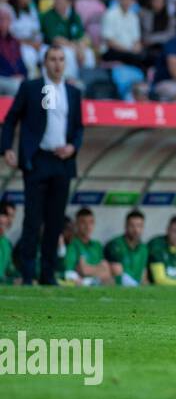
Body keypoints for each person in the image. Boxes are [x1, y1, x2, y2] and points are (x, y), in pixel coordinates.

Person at [0, 46, 83, 285]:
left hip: (62, 161)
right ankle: (28, 273)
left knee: (55, 220)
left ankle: (48, 274)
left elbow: (78, 128)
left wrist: (72, 147)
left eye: (61, 59)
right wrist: (7, 148)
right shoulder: (31, 87)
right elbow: (11, 118)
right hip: (38, 160)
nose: (57, 64)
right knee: (33, 220)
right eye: (53, 59)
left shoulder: (73, 92)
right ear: (44, 63)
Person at [65, 207, 113, 285]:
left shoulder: (97, 245)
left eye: (91, 222)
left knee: (110, 281)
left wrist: (88, 269)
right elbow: (73, 272)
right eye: (83, 222)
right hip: (80, 283)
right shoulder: (72, 244)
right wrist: (98, 269)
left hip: (96, 281)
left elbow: (107, 272)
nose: (87, 226)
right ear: (76, 224)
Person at [104, 209, 148, 286]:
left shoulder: (144, 248)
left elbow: (143, 276)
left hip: (136, 288)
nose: (136, 230)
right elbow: (118, 276)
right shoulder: (115, 245)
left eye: (139, 226)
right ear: (125, 225)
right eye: (132, 225)